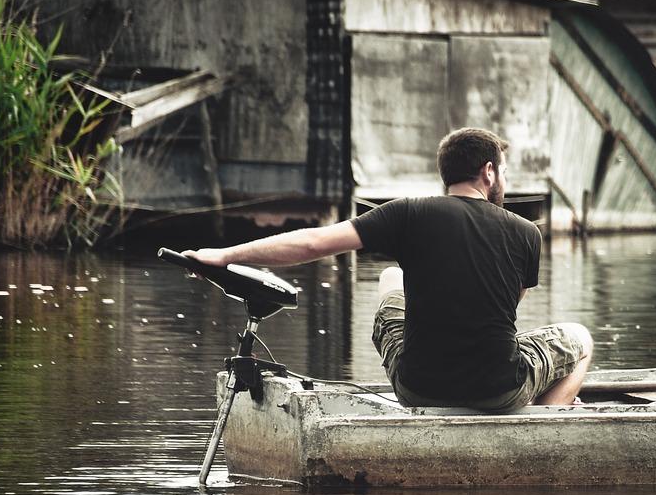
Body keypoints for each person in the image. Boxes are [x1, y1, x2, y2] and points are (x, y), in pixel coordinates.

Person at [184, 127, 593, 411]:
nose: (504, 178)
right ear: (488, 172)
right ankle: (547, 415)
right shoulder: (526, 233)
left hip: (416, 387)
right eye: (503, 171)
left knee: (390, 278)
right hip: (498, 389)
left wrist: (224, 255)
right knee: (580, 338)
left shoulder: (408, 213)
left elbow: (311, 243)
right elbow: (507, 304)